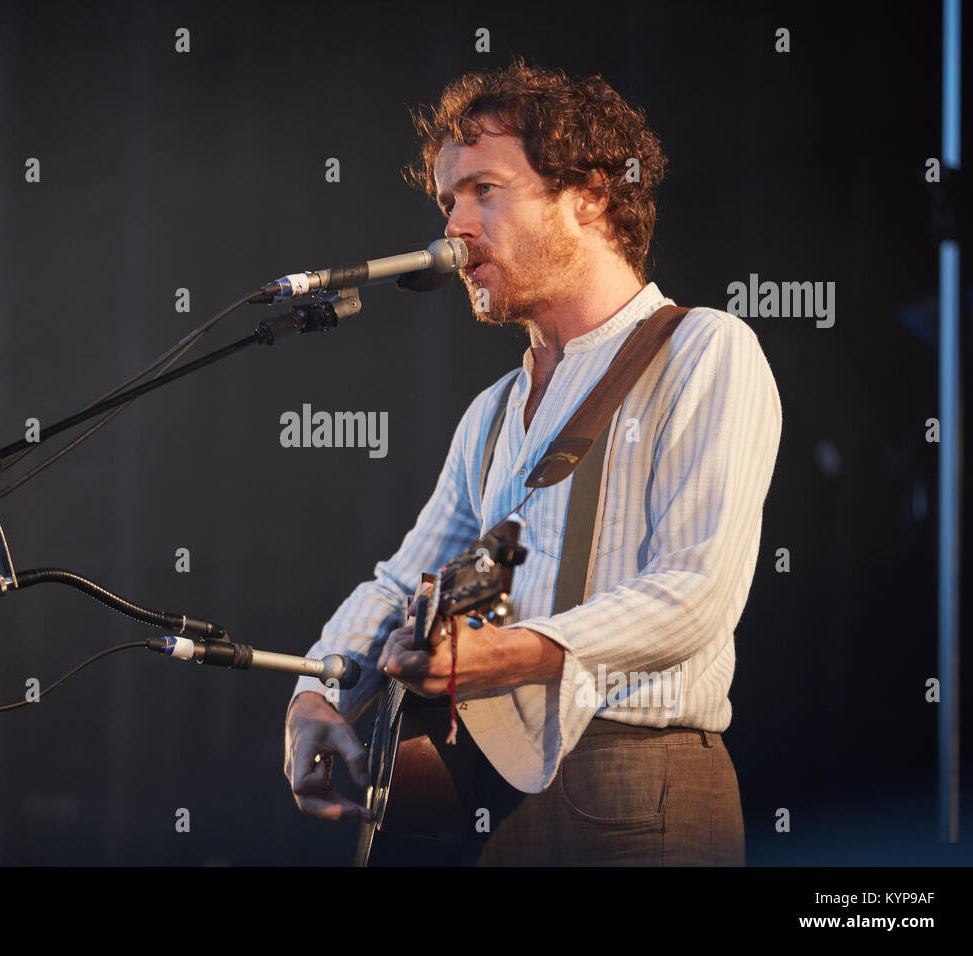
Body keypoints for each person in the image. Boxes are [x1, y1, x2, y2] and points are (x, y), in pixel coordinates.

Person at [282, 58, 781, 865]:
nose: (455, 227)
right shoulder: (489, 415)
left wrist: (504, 655)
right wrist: (315, 693)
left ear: (589, 195)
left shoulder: (705, 349)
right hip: (482, 794)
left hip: (633, 783)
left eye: (484, 190)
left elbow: (697, 593)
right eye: (448, 200)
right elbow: (399, 581)